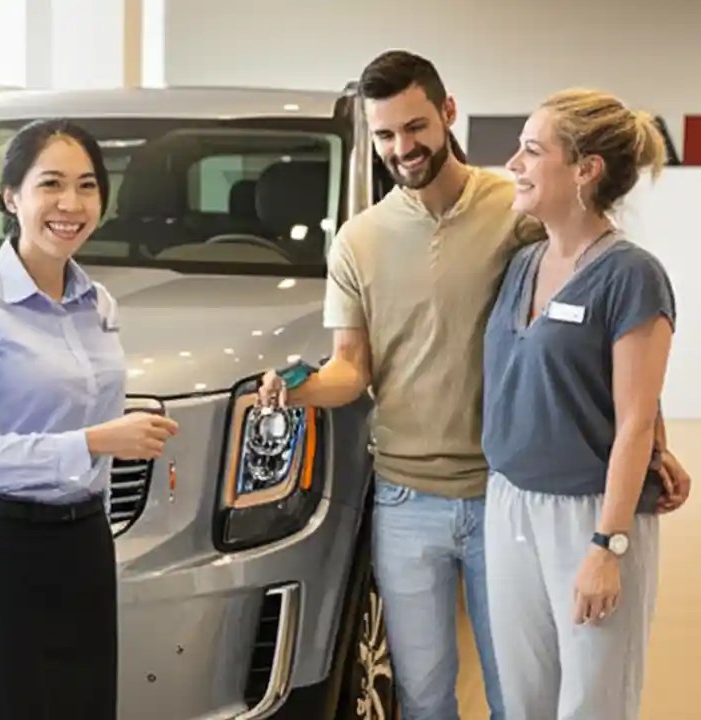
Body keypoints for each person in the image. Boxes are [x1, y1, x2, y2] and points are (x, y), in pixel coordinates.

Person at [258, 50, 691, 719]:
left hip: (497, 490)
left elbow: (613, 338)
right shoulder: (363, 241)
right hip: (412, 500)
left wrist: (648, 445)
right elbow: (352, 367)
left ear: (446, 112)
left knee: (536, 694)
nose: (402, 148)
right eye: (384, 135)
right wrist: (300, 389)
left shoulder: (517, 215)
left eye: (414, 126)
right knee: (436, 695)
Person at [0, 118, 179, 720]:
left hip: (87, 540)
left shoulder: (99, 304)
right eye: (52, 185)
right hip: (5, 549)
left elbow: (72, 409)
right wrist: (97, 439)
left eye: (88, 186)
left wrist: (121, 427)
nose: (71, 204)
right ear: (12, 197)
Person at [480, 88, 678, 719]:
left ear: (586, 170)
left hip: (589, 515)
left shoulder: (630, 274)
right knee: (526, 702)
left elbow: (635, 417)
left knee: (593, 704)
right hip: (508, 502)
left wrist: (607, 546)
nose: (513, 163)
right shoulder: (524, 262)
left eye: (532, 151)